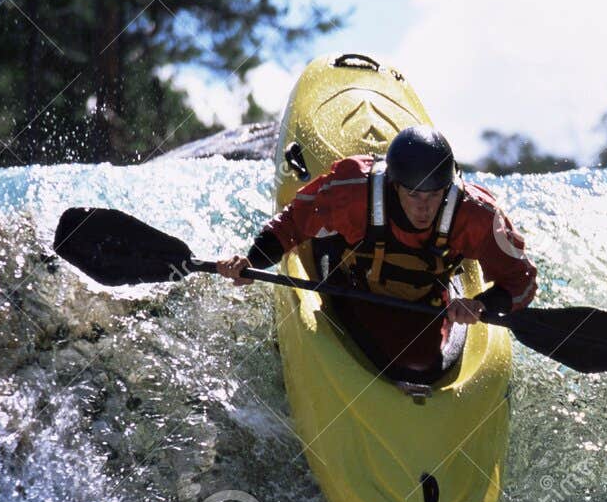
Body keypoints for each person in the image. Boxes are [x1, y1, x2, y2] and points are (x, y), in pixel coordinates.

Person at [217, 127, 537, 384]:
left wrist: (481, 303)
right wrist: (251, 261)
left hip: (429, 305)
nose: (424, 207)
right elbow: (292, 223)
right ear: (395, 186)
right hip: (352, 285)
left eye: (434, 195)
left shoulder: (477, 216)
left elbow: (522, 281)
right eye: (413, 194)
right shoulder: (352, 189)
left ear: (448, 188)